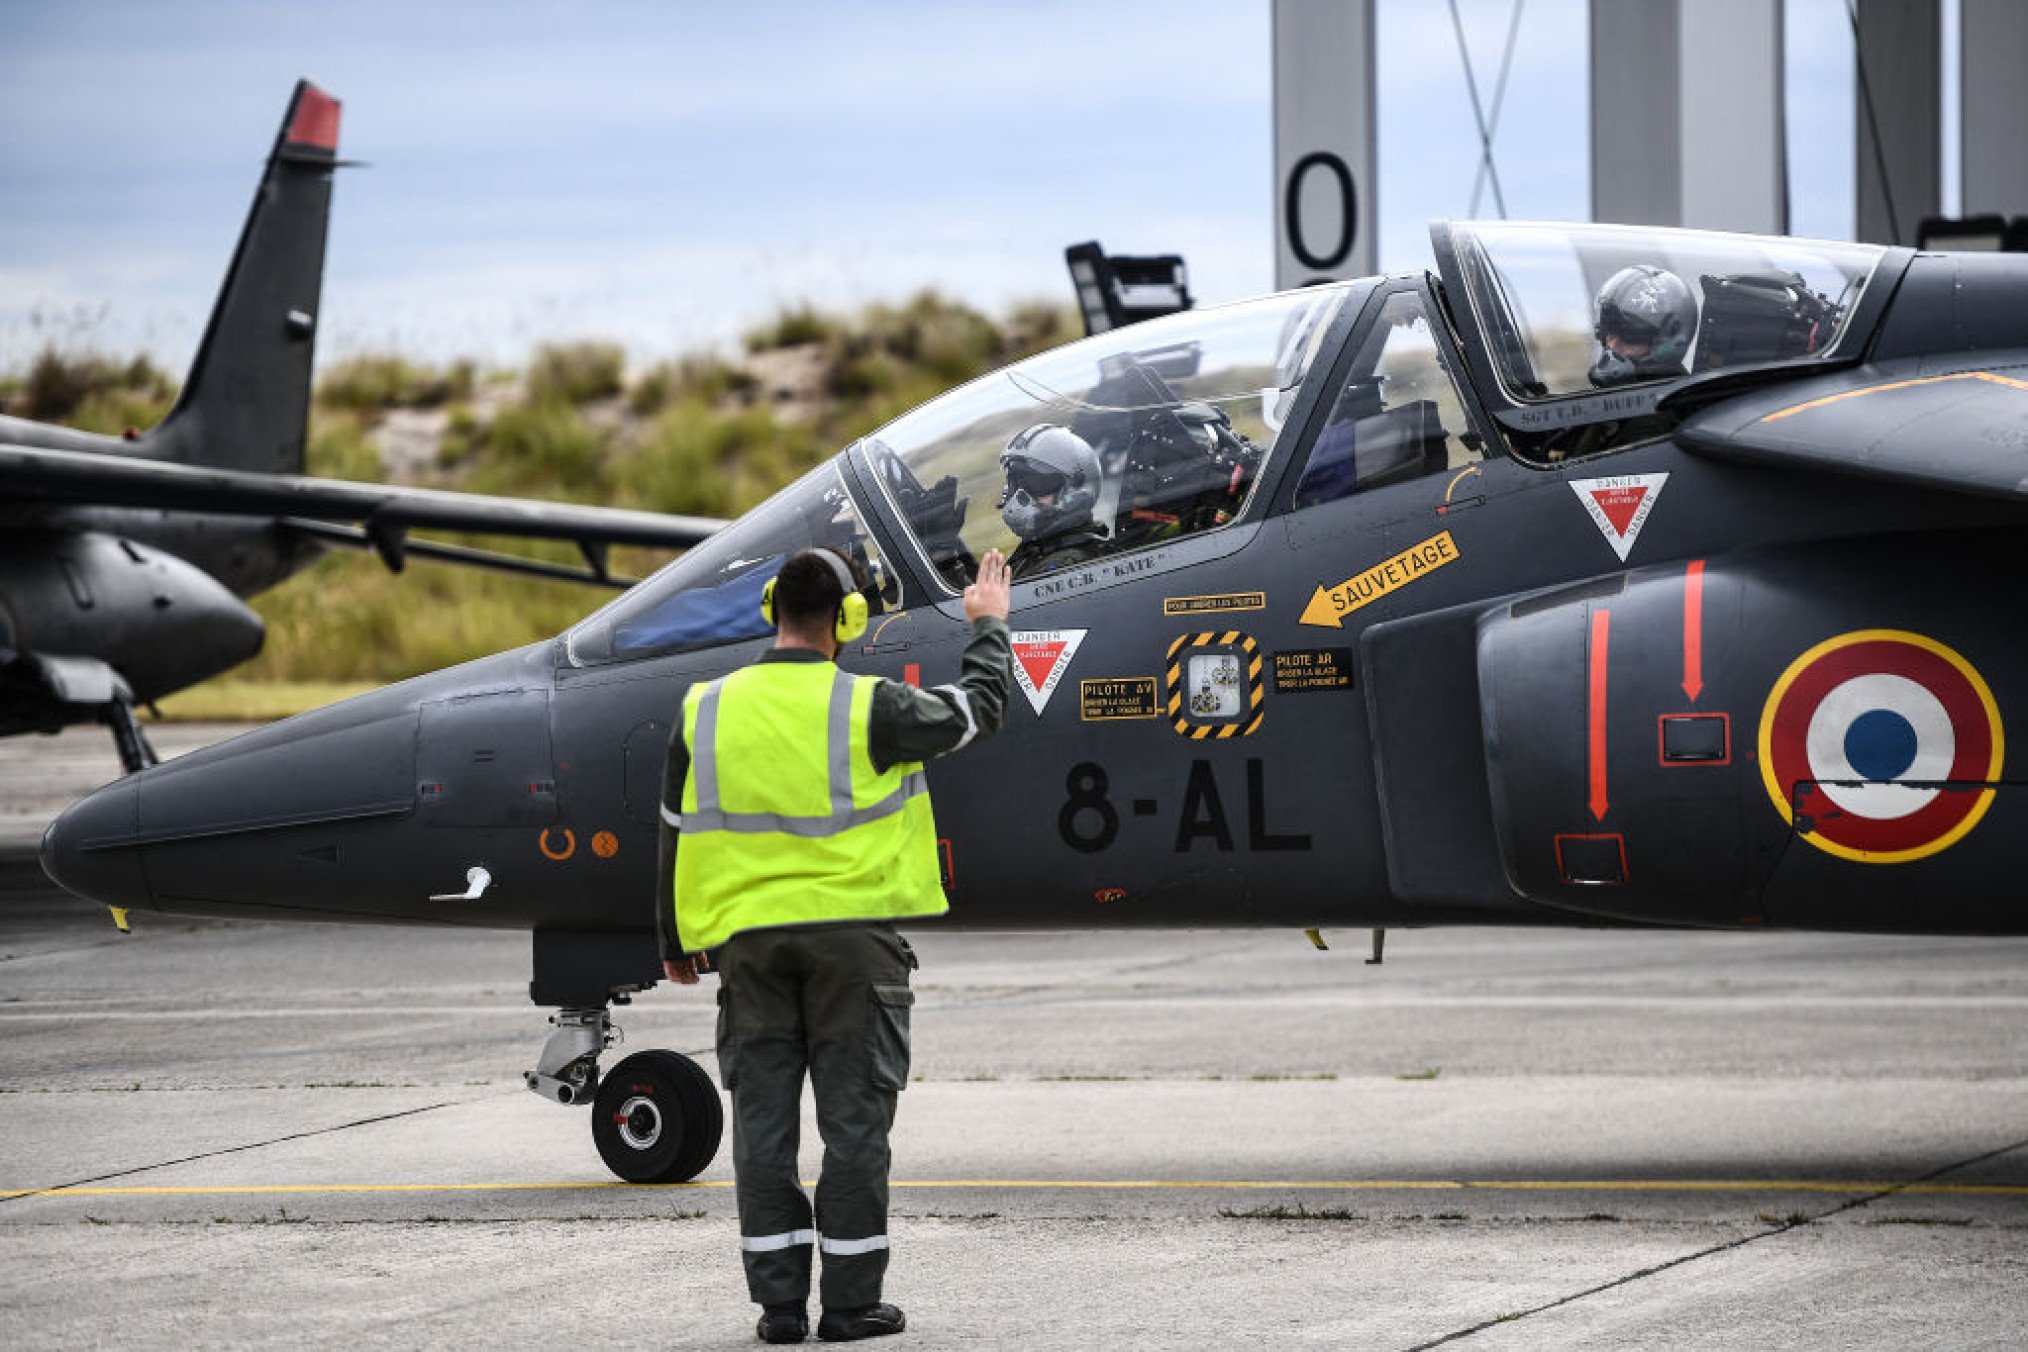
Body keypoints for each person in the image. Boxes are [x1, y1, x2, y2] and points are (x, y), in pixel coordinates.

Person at [657, 545, 1014, 1345]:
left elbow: (673, 829)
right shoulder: (869, 707)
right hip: (851, 948)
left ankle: (780, 1309)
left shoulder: (706, 709)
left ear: (770, 611)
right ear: (848, 619)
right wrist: (988, 625)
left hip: (749, 947)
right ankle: (850, 1306)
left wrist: (675, 938)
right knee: (853, 1127)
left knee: (762, 1128)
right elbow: (979, 710)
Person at [998, 423, 1108, 578]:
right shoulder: (1040, 548)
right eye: (1015, 482)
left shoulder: (1067, 566)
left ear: (1073, 491)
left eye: (1037, 483)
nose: (1017, 495)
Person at [1588, 264, 1697, 387]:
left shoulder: (1687, 397)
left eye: (1629, 336)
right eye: (1608, 332)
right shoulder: (1619, 395)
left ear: (1669, 341)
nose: (1612, 345)